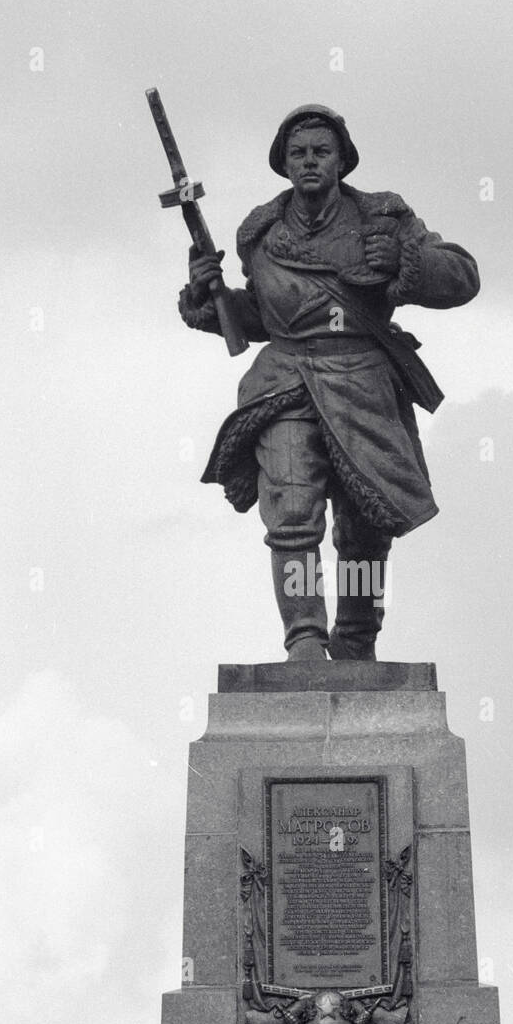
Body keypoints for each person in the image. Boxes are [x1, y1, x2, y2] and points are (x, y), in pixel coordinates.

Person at [178, 104, 480, 661]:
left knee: (365, 526)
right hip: (286, 381)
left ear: (342, 159)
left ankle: (357, 636)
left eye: (321, 152)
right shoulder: (261, 233)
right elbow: (266, 319)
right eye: (299, 153)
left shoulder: (382, 217)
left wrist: (404, 262)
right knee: (291, 513)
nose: (310, 162)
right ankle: (304, 638)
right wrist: (207, 299)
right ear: (283, 163)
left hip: (361, 381)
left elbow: (462, 276)